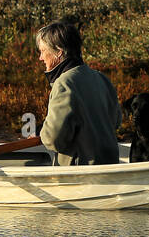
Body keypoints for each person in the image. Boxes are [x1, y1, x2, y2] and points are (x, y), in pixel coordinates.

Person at [36, 20, 122, 166]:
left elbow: (53, 139)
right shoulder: (101, 78)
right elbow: (116, 121)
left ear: (58, 52)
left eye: (43, 51)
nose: (41, 58)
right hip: (109, 165)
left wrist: (41, 133)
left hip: (80, 172)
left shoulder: (64, 83)